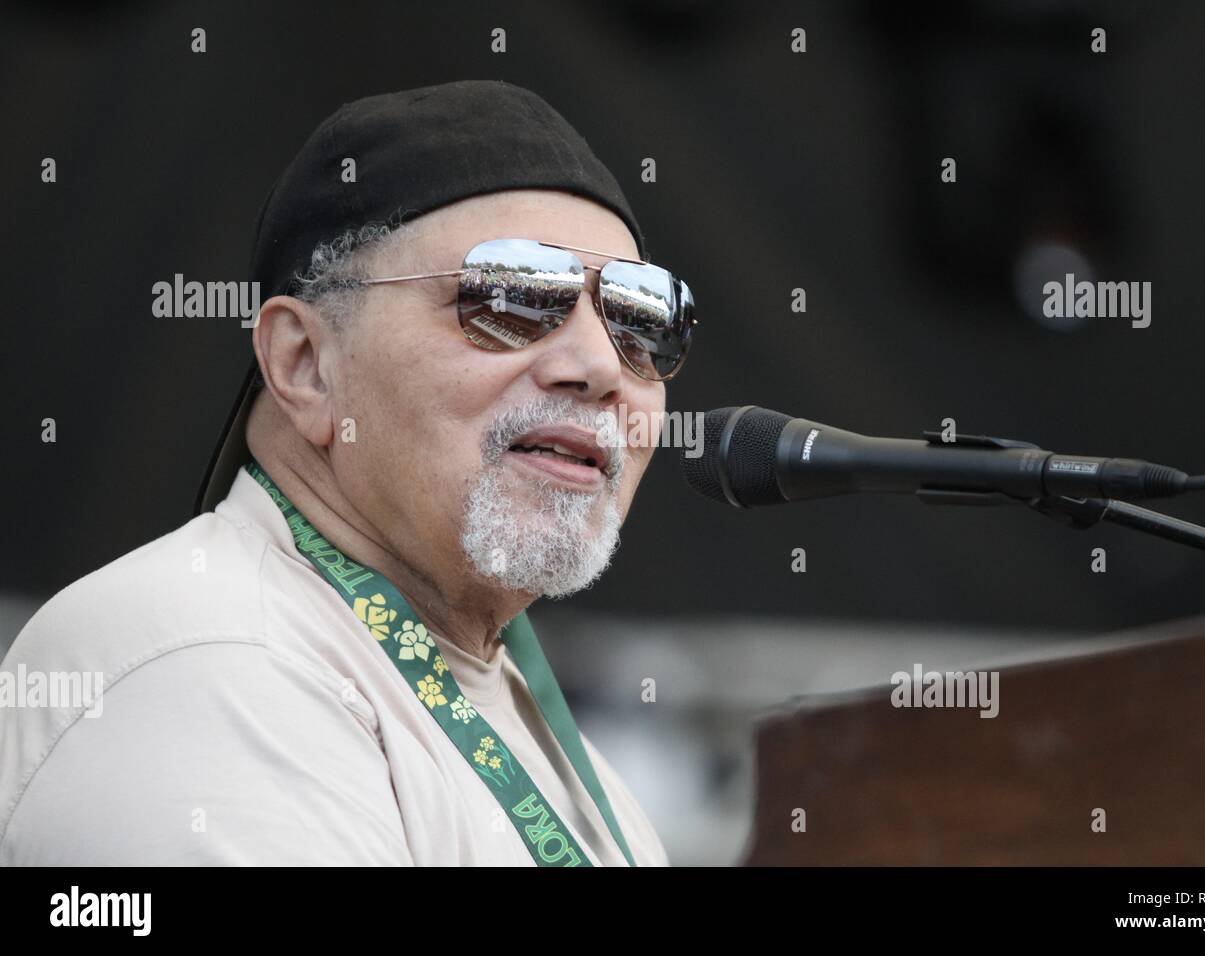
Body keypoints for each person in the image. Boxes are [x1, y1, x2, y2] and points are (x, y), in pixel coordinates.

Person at [0, 80, 696, 866]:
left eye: (644, 317)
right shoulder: (202, 657)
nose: (602, 365)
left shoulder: (554, 745)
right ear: (306, 365)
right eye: (514, 296)